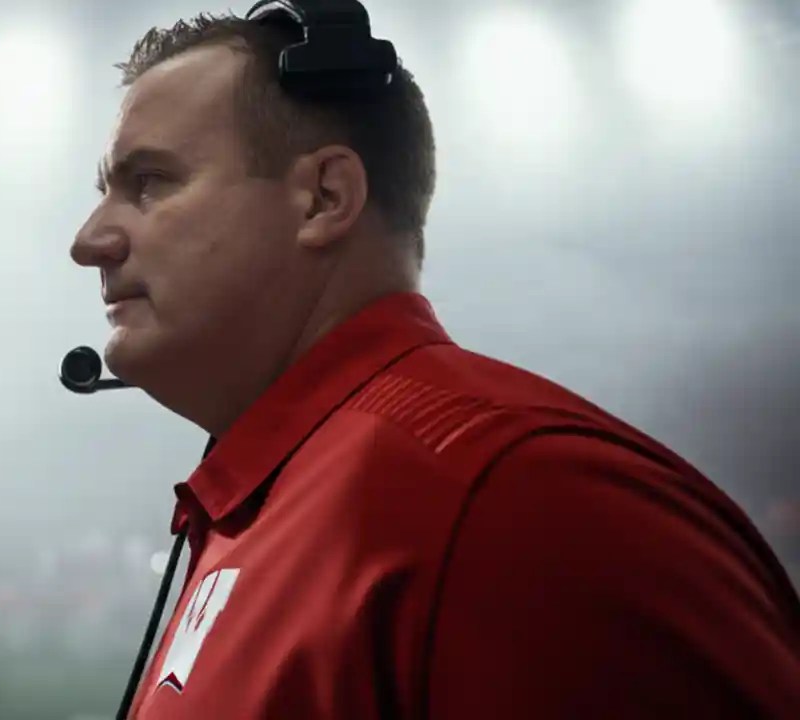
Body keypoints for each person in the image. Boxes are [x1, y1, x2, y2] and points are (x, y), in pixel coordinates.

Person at [68, 6, 800, 720]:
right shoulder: (284, 500)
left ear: (325, 197)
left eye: (150, 183)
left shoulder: (514, 502)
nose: (90, 239)